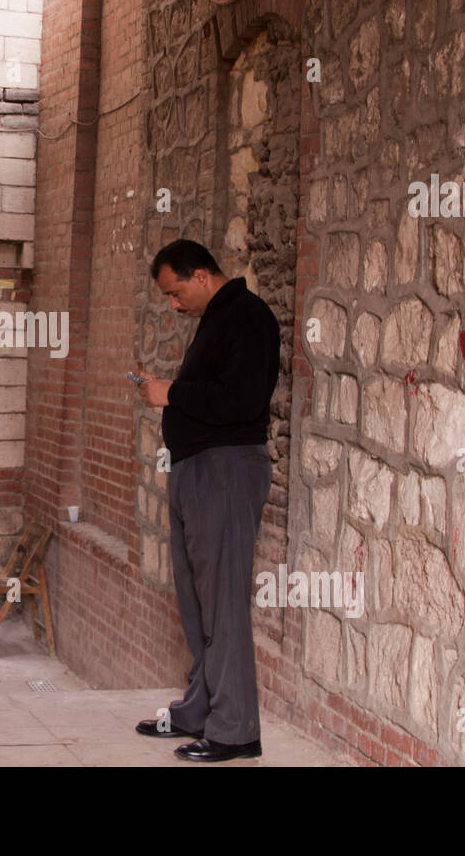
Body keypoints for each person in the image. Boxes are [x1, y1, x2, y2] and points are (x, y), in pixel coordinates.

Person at [132, 239, 279, 762]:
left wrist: (170, 392)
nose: (174, 305)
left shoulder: (248, 316)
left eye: (175, 293)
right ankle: (201, 707)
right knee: (196, 602)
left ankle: (236, 730)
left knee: (223, 603)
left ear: (199, 276)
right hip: (197, 471)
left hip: (227, 471)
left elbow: (240, 401)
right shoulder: (217, 319)